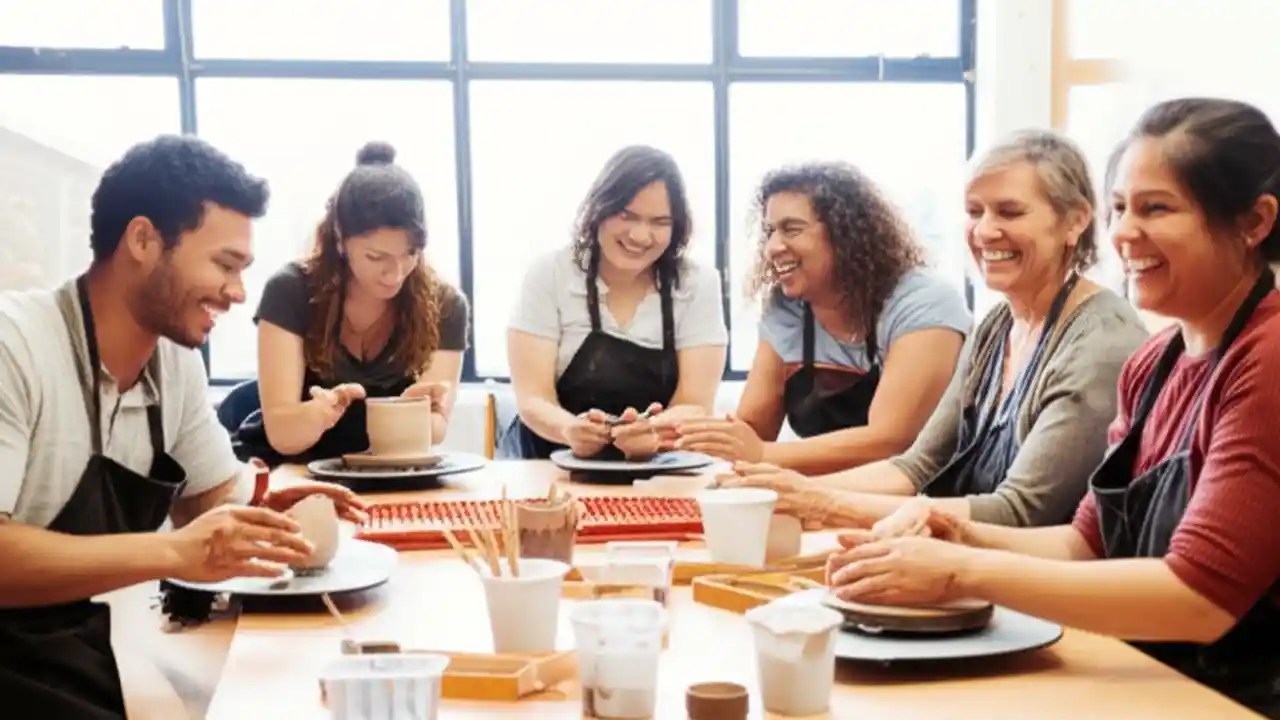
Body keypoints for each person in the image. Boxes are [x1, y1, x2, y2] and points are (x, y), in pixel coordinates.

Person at [827, 98, 1280, 717]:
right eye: (1120, 208)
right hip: (1147, 679)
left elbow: (1200, 599)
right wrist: (954, 530)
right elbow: (1083, 543)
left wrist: (960, 570)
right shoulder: (1154, 364)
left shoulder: (1267, 357)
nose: (1124, 233)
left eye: (1156, 208)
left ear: (1254, 222)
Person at [0, 135, 365, 719]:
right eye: (224, 264)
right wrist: (173, 550)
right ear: (143, 240)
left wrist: (265, 508)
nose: (238, 293)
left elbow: (208, 498)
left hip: (81, 648)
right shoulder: (15, 346)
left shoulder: (173, 362)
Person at [721, 131, 1148, 529]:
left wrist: (823, 503)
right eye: (974, 212)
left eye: (1010, 212)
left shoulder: (1101, 339)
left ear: (1075, 221)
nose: (985, 231)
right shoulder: (996, 328)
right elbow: (916, 466)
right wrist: (782, 489)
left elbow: (1020, 510)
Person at [676, 162, 971, 475]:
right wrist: (684, 433)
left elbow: (892, 440)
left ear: (847, 234)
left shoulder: (923, 301)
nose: (772, 248)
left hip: (926, 493)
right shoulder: (788, 309)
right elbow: (752, 429)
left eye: (792, 229)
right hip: (827, 491)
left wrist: (763, 454)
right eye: (770, 232)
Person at [232, 142, 469, 465]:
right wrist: (319, 414)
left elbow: (437, 429)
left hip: (385, 470)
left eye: (410, 254)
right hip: (289, 468)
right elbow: (283, 435)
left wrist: (412, 412)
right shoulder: (291, 291)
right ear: (341, 240)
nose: (395, 273)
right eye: (376, 257)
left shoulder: (445, 305)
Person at [502, 145, 727, 460]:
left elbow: (695, 402)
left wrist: (651, 432)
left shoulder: (698, 283)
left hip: (655, 464)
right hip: (546, 460)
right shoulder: (550, 273)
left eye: (660, 222)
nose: (641, 236)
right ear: (599, 210)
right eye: (627, 216)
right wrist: (569, 430)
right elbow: (533, 398)